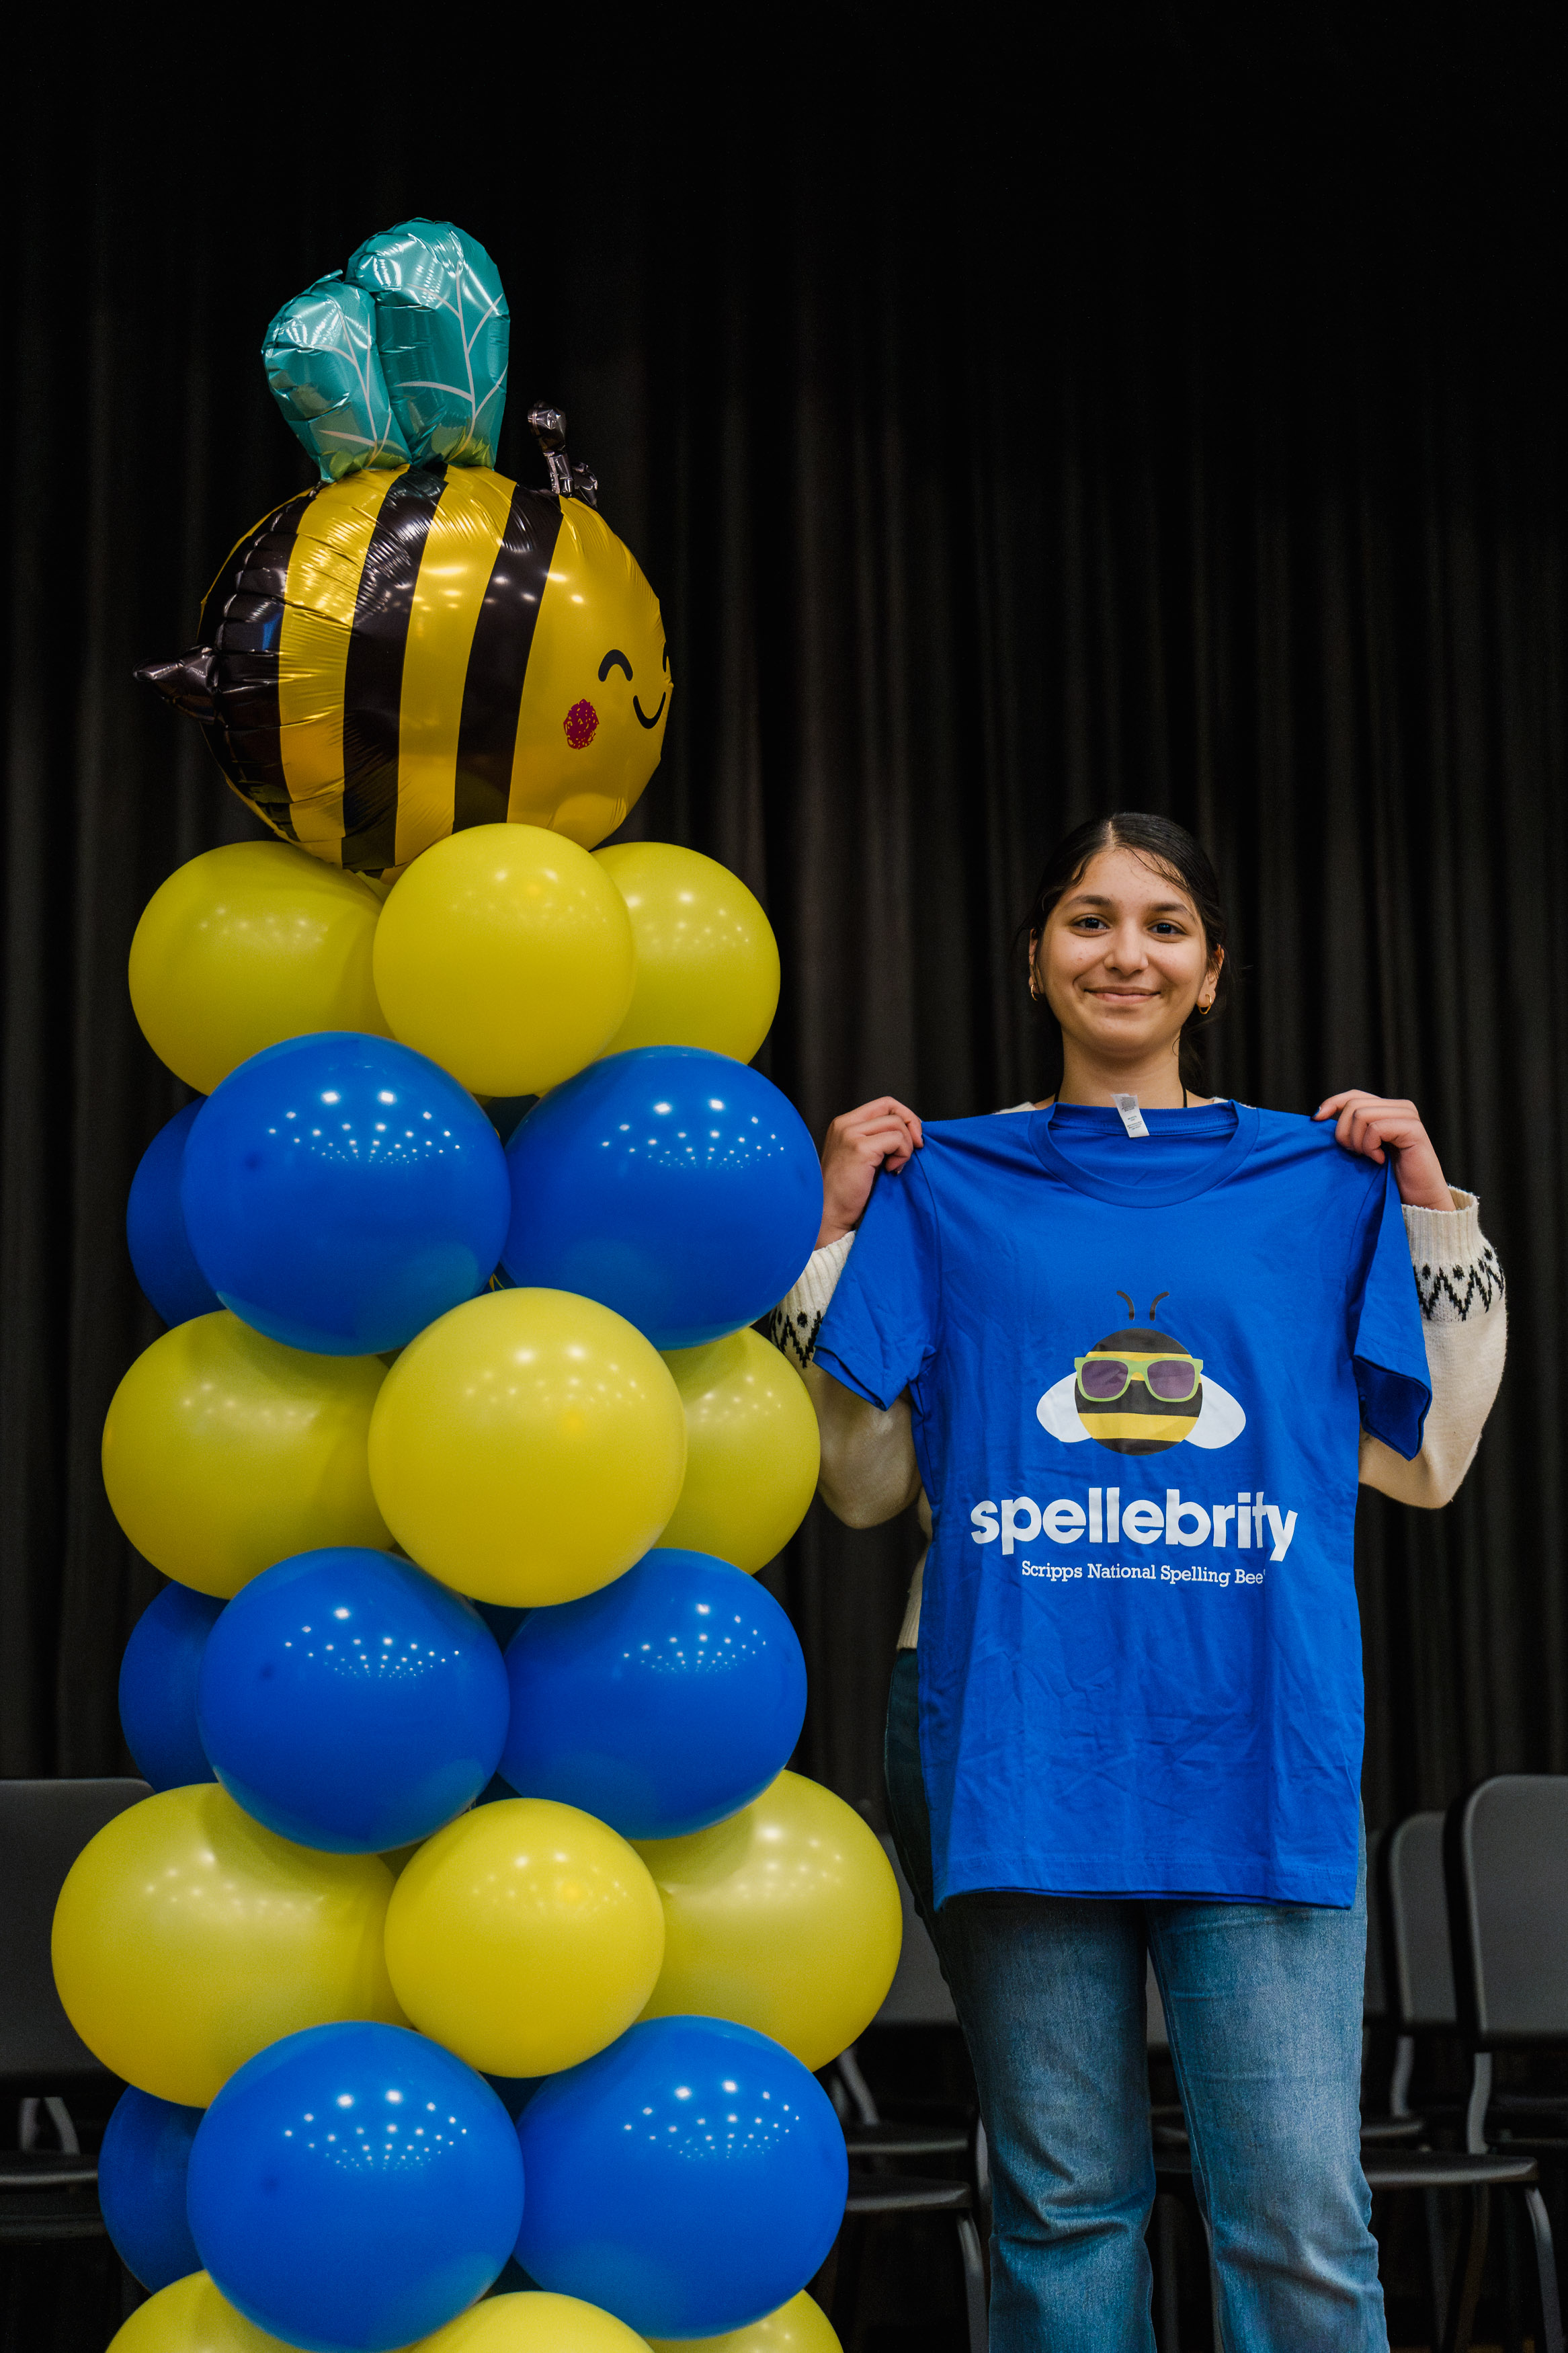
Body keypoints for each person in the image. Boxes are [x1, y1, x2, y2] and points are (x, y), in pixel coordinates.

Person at [767, 811, 1505, 2352]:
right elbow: (856, 1484)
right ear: (1037, 958)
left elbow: (1424, 1458)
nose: (1126, 952)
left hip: (1256, 1727)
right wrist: (830, 1233)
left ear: (1213, 971)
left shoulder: (1325, 1184)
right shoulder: (942, 1182)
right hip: (1011, 1721)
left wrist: (1432, 1201)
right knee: (1065, 2210)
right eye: (1090, 920)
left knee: (1298, 2214)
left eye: (1164, 924)